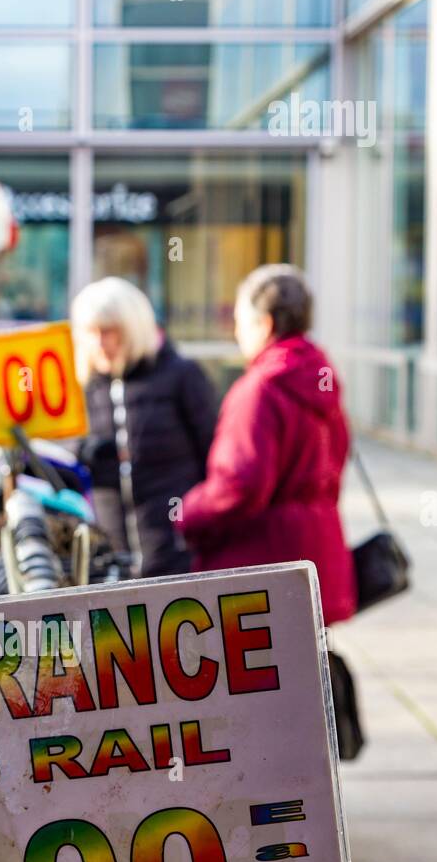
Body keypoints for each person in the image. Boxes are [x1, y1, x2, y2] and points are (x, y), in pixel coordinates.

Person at [180, 264, 357, 626]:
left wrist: (188, 512)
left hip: (266, 563)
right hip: (319, 552)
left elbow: (240, 485)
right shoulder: (322, 378)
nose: (236, 333)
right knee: (307, 672)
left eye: (240, 322)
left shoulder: (261, 388)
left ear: (264, 324)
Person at [72, 277, 218, 577]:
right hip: (112, 560)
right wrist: (81, 451)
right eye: (91, 332)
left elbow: (216, 458)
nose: (100, 342)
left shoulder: (182, 376)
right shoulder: (83, 388)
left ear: (133, 329)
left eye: (109, 331)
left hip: (178, 555)